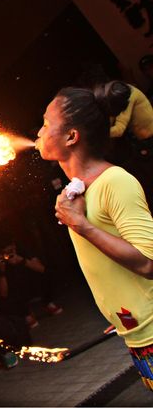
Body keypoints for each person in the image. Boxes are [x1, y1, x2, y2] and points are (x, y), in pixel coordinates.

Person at [37, 85, 153, 391]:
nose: (39, 131)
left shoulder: (115, 181)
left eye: (47, 124)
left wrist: (80, 224)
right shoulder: (77, 191)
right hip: (137, 336)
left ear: (71, 137)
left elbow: (149, 263)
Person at [0, 240, 63, 328]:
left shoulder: (23, 251)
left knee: (47, 273)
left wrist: (22, 260)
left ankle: (48, 303)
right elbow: (3, 294)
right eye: (5, 252)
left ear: (14, 246)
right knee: (9, 293)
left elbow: (42, 269)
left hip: (32, 282)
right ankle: (25, 314)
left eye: (10, 250)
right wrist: (2, 270)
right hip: (16, 290)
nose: (8, 254)